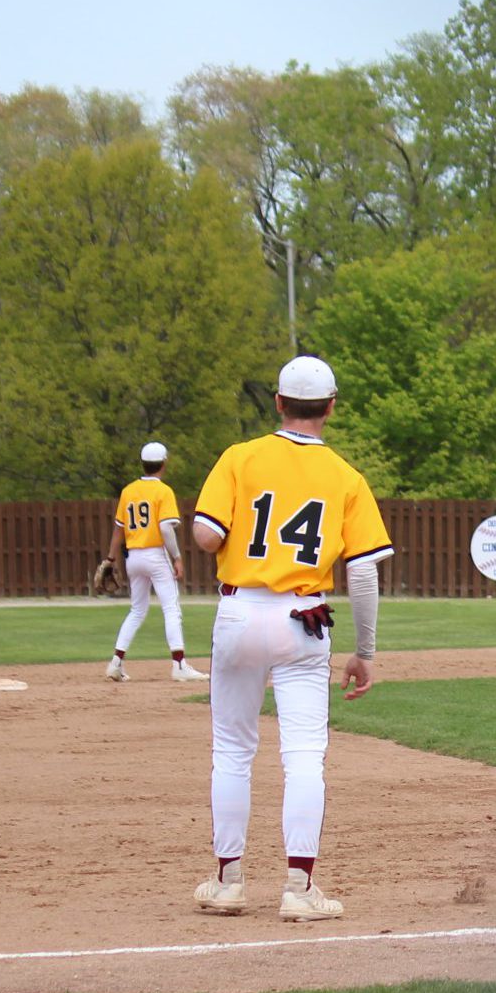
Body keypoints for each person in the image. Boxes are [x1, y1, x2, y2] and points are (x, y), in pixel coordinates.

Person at [186, 355, 395, 921]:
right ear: (331, 407)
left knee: (231, 750)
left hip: (239, 611)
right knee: (304, 756)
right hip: (304, 619)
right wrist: (366, 651)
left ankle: (229, 880)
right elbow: (365, 572)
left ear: (277, 402)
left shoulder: (239, 458)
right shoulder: (346, 477)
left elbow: (206, 535)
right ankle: (300, 889)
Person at [102, 441, 209, 683]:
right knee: (171, 608)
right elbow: (165, 528)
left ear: (143, 463)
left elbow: (118, 531)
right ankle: (179, 664)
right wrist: (177, 557)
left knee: (137, 610)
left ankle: (116, 662)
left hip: (133, 557)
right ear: (164, 463)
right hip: (155, 555)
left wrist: (110, 558)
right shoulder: (163, 491)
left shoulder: (128, 490)